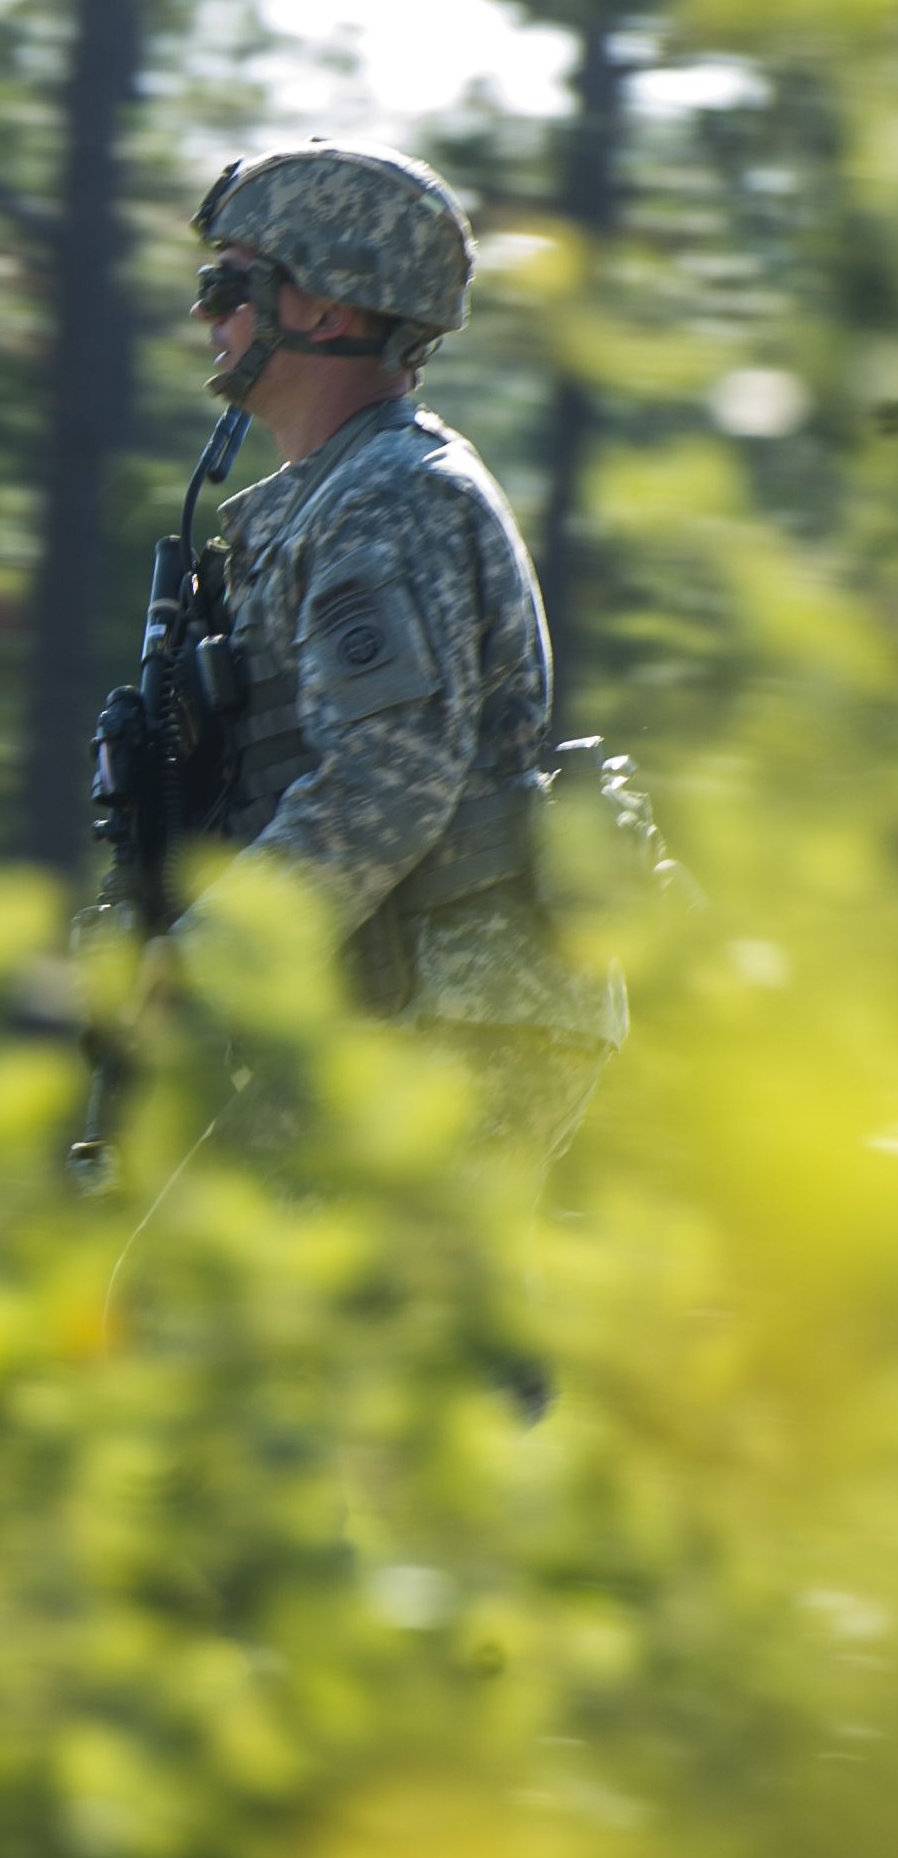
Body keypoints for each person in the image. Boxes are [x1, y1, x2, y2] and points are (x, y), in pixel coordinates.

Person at [163, 140, 627, 1171]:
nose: (208, 314)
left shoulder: (388, 498)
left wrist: (198, 962)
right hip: (419, 1006)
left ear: (327, 309)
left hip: (460, 1010)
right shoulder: (334, 499)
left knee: (205, 1313)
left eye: (229, 285)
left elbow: (388, 778)